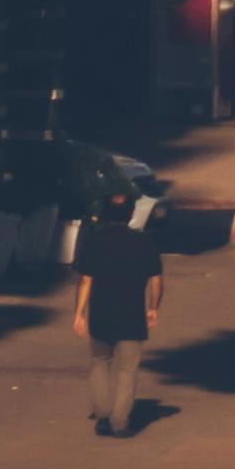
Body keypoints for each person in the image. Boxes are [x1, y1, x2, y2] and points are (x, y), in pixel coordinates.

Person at [70, 180, 163, 440]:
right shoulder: (144, 242)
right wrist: (153, 307)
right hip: (132, 315)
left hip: (101, 313)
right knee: (127, 370)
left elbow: (85, 279)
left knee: (100, 363)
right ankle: (120, 422)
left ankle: (102, 415)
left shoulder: (95, 242)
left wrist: (79, 313)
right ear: (132, 213)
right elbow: (156, 279)